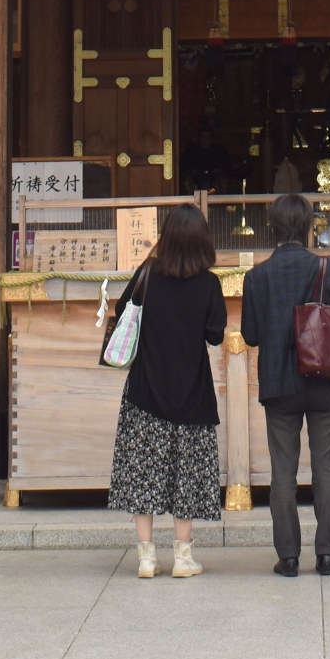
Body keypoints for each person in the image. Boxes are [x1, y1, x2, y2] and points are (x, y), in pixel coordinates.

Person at [239, 191, 330, 576]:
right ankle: (327, 554)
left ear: (272, 228)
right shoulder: (326, 267)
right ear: (308, 227)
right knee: (326, 469)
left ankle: (288, 556)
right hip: (325, 380)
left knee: (283, 473)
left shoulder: (256, 276)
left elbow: (250, 335)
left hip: (279, 383)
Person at [108, 204, 227, 580]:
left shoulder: (147, 274)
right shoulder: (209, 284)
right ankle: (183, 557)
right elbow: (215, 335)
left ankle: (146, 557)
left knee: (143, 472)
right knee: (186, 475)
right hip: (191, 392)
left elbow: (122, 310)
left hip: (145, 390)